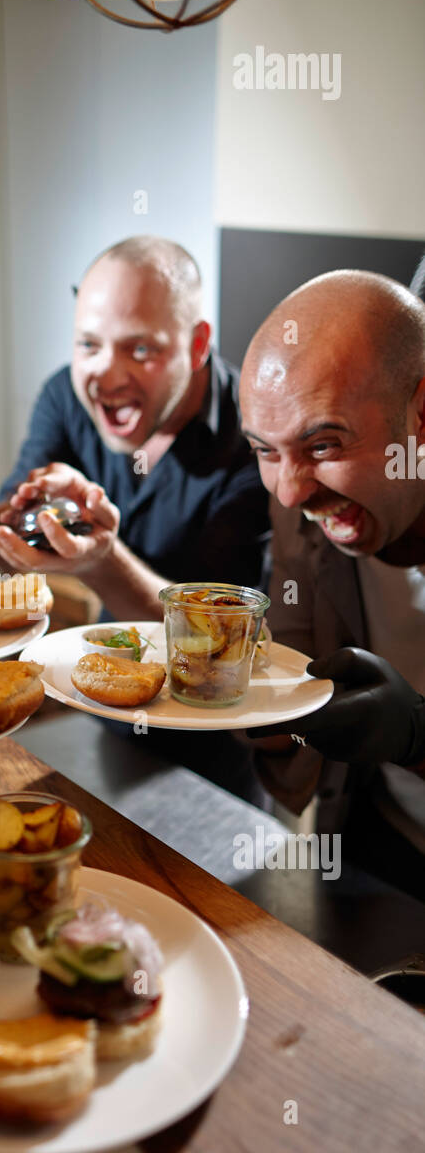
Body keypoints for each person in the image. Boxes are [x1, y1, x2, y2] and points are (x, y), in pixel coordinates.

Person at [239, 271, 425, 892]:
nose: (291, 493)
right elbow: (285, 692)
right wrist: (245, 702)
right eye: (265, 451)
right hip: (379, 846)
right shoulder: (302, 504)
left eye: (323, 445)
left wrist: (416, 736)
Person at [0, 236, 269, 618]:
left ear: (197, 346)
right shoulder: (64, 395)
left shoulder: (256, 439)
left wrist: (101, 558)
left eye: (141, 349)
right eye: (88, 345)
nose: (107, 377)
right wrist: (37, 510)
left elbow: (217, 632)